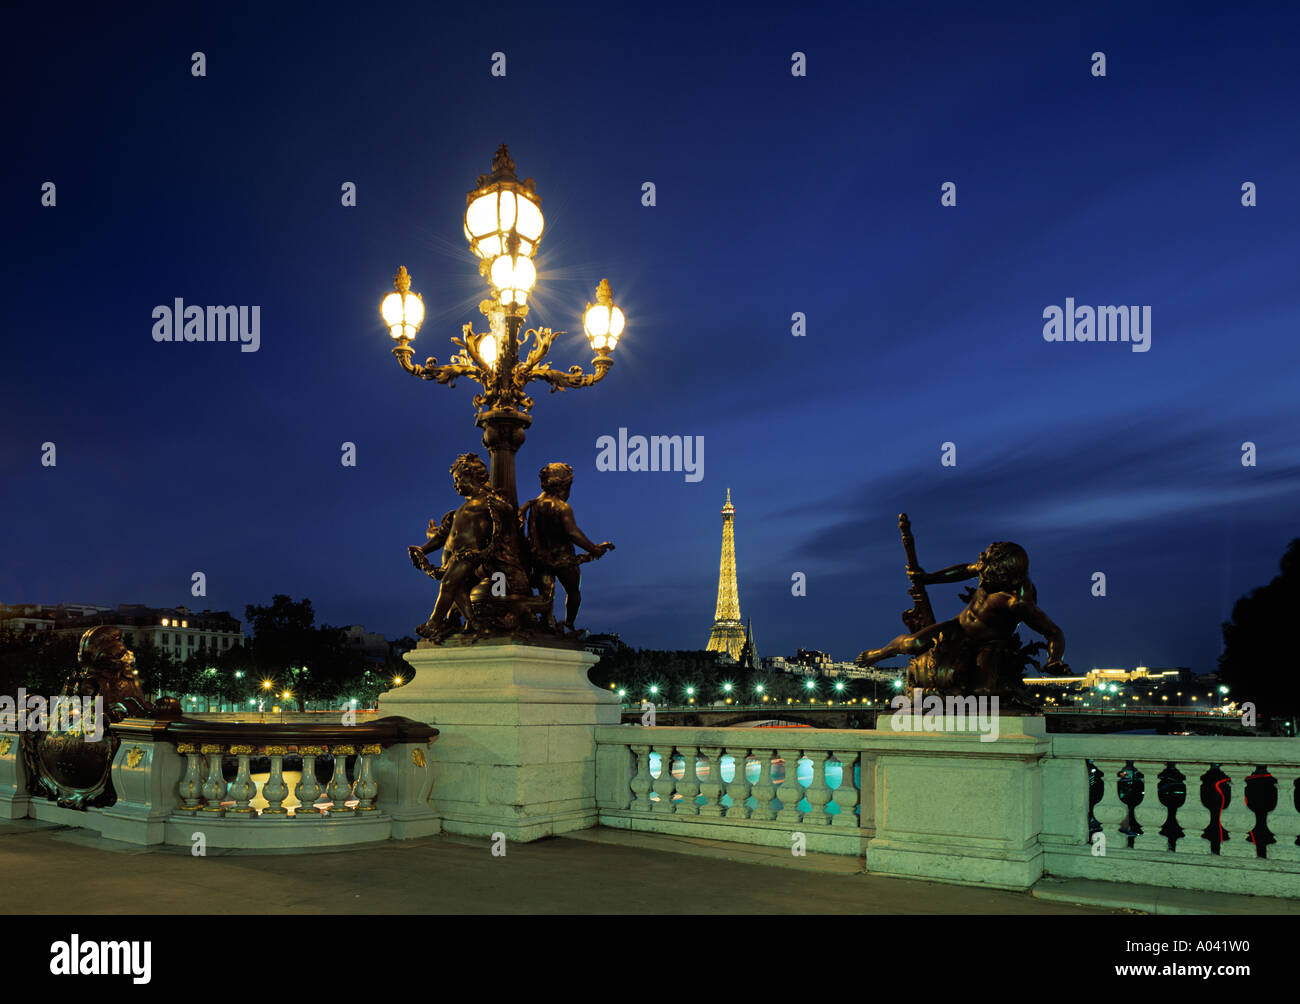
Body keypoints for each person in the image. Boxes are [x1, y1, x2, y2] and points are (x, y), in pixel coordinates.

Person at [519, 463, 613, 632]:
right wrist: (594, 549)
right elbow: (573, 533)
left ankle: (547, 621)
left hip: (541, 560)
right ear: (564, 486)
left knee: (546, 595)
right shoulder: (562, 507)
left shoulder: (534, 505)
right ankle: (569, 624)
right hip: (564, 559)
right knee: (573, 592)